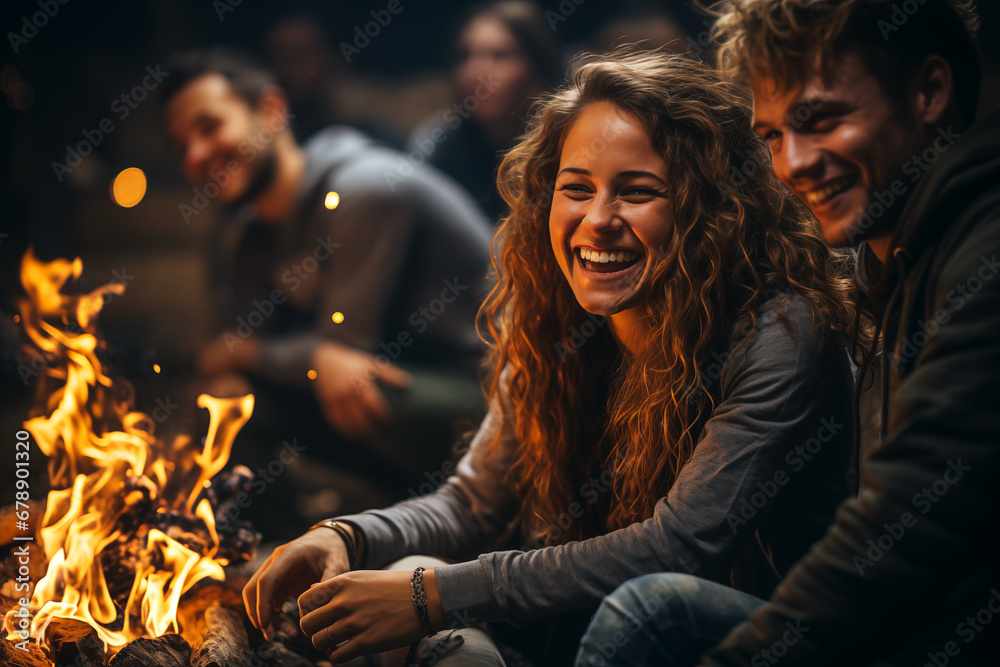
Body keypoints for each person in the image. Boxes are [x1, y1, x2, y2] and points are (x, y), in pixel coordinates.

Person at [242, 49, 858, 666]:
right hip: (582, 634)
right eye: (576, 189)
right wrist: (347, 535)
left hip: (752, 639)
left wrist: (430, 596)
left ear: (711, 210)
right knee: (415, 569)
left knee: (451, 590)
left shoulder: (779, 330)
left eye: (638, 192)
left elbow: (677, 549)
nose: (597, 220)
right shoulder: (553, 326)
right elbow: (472, 505)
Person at [576, 2, 1000, 665]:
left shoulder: (982, 247)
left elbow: (907, 527)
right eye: (771, 136)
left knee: (653, 612)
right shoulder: (889, 261)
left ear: (930, 92)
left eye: (820, 120)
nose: (793, 163)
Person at [160, 47, 494, 537]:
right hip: (406, 383)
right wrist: (248, 358)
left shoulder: (363, 188)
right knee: (227, 403)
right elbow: (230, 358)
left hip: (493, 389)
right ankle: (260, 559)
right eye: (180, 146)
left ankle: (374, 538)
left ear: (271, 112)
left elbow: (338, 356)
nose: (196, 155)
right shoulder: (248, 234)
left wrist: (252, 351)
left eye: (209, 127)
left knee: (345, 384)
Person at [407, 1, 563, 223]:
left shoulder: (568, 143)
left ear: (537, 70)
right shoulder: (438, 144)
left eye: (499, 55)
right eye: (465, 56)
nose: (475, 72)